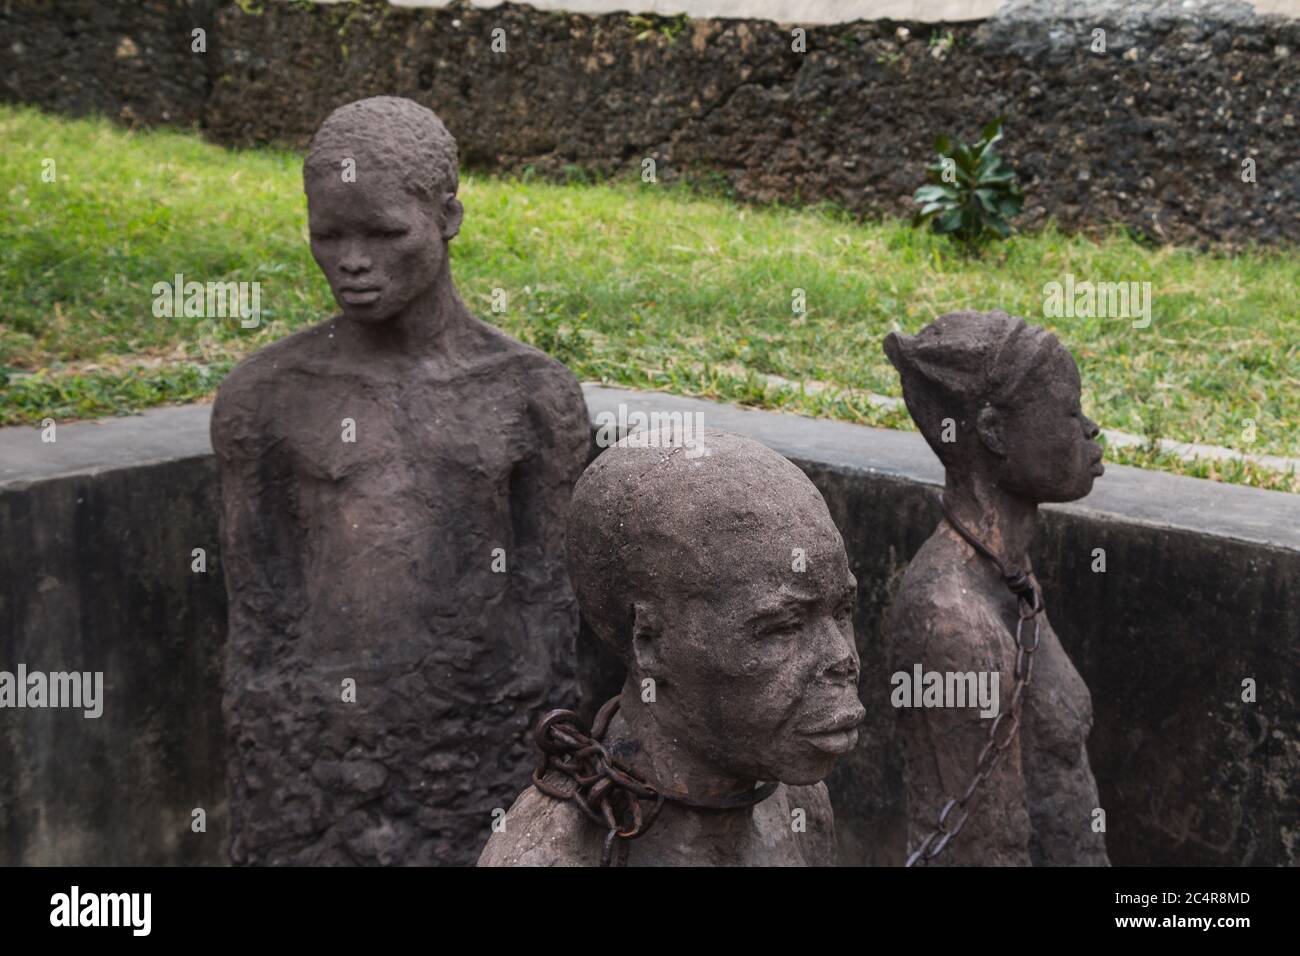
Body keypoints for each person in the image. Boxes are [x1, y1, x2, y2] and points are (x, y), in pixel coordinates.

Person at [211, 97, 589, 865]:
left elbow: (553, 608)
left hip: (482, 745)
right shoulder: (267, 396)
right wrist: (283, 739)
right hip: (316, 758)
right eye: (329, 235)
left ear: (447, 217)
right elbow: (259, 610)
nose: (352, 261)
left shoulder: (531, 395)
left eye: (383, 233)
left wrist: (532, 742)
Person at [479, 428, 865, 866]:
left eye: (842, 611)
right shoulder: (552, 855)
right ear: (648, 642)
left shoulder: (799, 803)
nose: (841, 659)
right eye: (782, 628)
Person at [883, 310, 1110, 866]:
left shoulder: (1008, 571)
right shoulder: (953, 623)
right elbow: (986, 845)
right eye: (1068, 411)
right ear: (994, 432)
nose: (1089, 428)